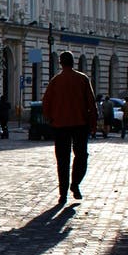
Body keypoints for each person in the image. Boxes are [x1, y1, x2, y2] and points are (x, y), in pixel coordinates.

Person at [42, 51, 97, 203]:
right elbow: (91, 104)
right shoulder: (82, 79)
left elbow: (46, 103)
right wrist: (93, 124)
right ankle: (75, 184)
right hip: (80, 124)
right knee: (81, 156)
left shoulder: (56, 81)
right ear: (73, 62)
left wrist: (50, 118)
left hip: (60, 125)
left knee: (62, 160)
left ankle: (63, 193)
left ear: (61, 63)